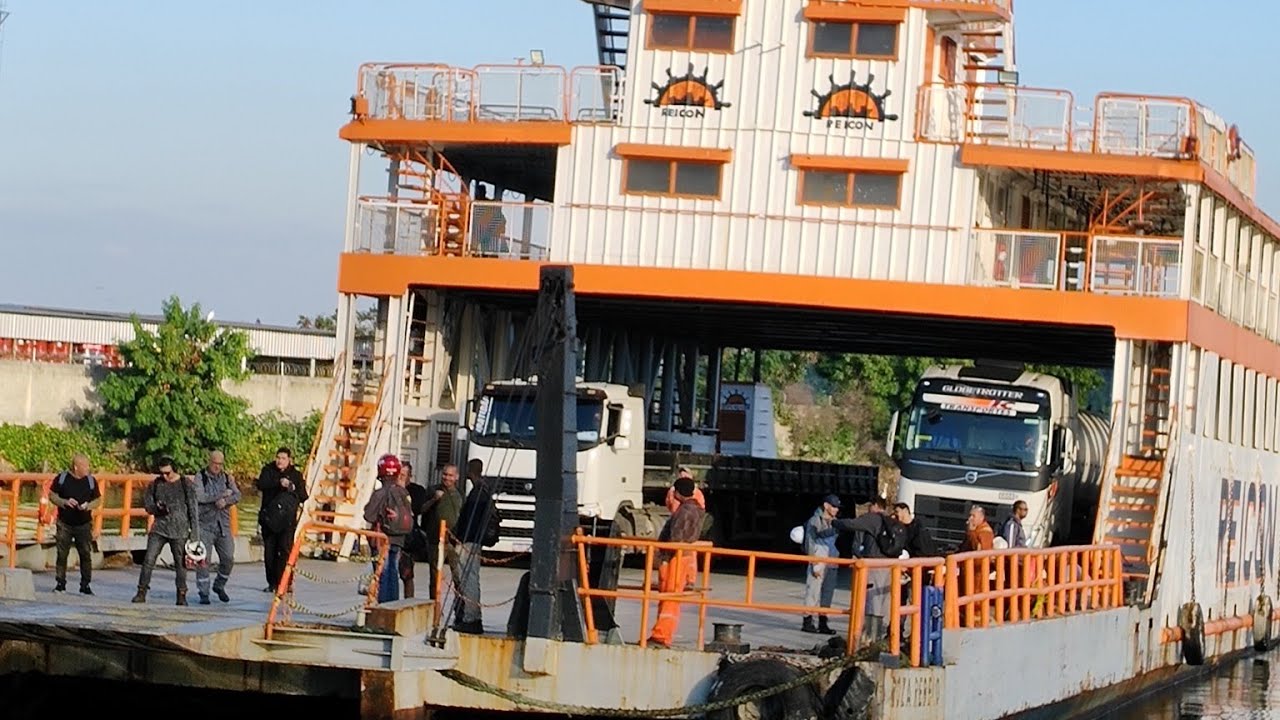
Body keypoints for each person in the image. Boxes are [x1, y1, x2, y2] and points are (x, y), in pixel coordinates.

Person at [647, 477, 706, 648]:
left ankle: (661, 636)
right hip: (682, 558)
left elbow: (676, 537)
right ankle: (662, 634)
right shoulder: (696, 509)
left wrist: (663, 552)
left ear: (678, 492)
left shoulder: (684, 511)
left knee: (669, 598)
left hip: (675, 559)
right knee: (671, 597)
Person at [132, 457, 200, 605]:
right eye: (161, 473)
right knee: (149, 559)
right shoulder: (155, 484)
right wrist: (157, 508)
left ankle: (181, 594)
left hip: (180, 529)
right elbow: (148, 506)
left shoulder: (185, 484)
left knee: (180, 564)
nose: (164, 476)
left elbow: (193, 509)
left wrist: (195, 534)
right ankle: (141, 591)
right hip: (159, 528)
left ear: (174, 469)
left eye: (167, 473)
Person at [451, 458, 497, 634]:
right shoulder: (485, 490)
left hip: (470, 541)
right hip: (474, 540)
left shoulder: (477, 493)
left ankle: (471, 618)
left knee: (468, 579)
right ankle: (470, 616)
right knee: (470, 578)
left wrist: (459, 537)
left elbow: (469, 520)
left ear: (470, 471)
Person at [363, 454, 414, 604]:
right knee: (393, 572)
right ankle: (393, 605)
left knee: (382, 573)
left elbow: (369, 516)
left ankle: (384, 607)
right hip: (399, 539)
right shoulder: (403, 493)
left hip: (382, 540)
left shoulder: (380, 493)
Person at [257, 447, 307, 593]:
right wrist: (278, 482)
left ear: (289, 460)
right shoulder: (268, 470)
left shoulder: (296, 475)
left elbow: (303, 495)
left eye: (283, 458)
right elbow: (261, 484)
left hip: (287, 520)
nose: (280, 461)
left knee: (285, 551)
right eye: (278, 458)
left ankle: (285, 582)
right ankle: (272, 583)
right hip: (270, 519)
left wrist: (291, 486)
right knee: (270, 552)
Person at [49, 453, 101, 595]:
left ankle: (85, 585)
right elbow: (52, 495)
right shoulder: (62, 478)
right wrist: (64, 502)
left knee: (85, 554)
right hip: (65, 522)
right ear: (76, 467)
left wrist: (87, 506)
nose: (88, 469)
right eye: (85, 466)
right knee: (62, 553)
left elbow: (98, 500)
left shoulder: (91, 481)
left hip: (83, 523)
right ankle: (60, 583)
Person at [194, 450, 241, 604]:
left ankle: (219, 585)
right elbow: (200, 497)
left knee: (228, 557)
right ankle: (204, 592)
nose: (217, 467)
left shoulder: (227, 478)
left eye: (220, 464)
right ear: (210, 461)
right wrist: (220, 496)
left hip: (223, 526)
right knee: (203, 560)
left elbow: (237, 495)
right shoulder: (200, 476)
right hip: (205, 525)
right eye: (215, 463)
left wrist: (226, 501)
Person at [420, 463, 464, 600]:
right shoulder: (432, 490)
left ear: (456, 477)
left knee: (458, 576)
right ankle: (434, 606)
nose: (447, 478)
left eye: (450, 475)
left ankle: (461, 608)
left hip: (454, 541)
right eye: (445, 474)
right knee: (435, 575)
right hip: (435, 540)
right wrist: (434, 499)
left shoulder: (460, 494)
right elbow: (422, 509)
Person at [800, 494, 841, 635]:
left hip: (832, 560)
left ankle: (823, 622)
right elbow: (810, 542)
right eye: (834, 506)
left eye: (837, 507)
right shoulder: (814, 521)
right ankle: (807, 620)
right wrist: (814, 562)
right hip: (818, 558)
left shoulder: (836, 521)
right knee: (813, 591)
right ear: (826, 505)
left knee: (827, 593)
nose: (836, 509)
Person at [664, 466, 706, 589]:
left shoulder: (694, 494)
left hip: (684, 534)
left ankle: (688, 579)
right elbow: (669, 503)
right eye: (681, 475)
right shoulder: (674, 491)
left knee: (687, 556)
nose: (683, 477)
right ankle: (679, 580)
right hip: (679, 523)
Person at [398, 461, 429, 599]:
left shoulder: (417, 490)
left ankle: (408, 601)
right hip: (390, 536)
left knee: (407, 574)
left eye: (404, 475)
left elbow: (416, 509)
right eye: (399, 474)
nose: (400, 477)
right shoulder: (390, 489)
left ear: (410, 476)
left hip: (407, 538)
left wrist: (403, 491)